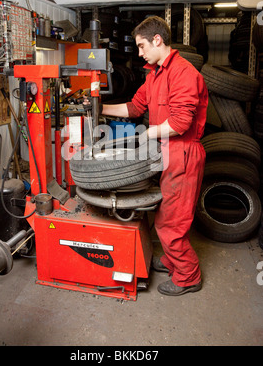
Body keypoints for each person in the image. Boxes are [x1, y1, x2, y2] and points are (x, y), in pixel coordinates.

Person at [86, 15, 208, 296]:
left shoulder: (183, 73)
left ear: (157, 40)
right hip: (167, 152)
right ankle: (172, 260)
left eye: (141, 46)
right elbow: (133, 107)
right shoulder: (155, 75)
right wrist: (98, 107)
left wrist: (145, 135)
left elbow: (179, 124)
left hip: (183, 153)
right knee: (167, 213)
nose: (139, 53)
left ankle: (188, 276)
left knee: (171, 222)